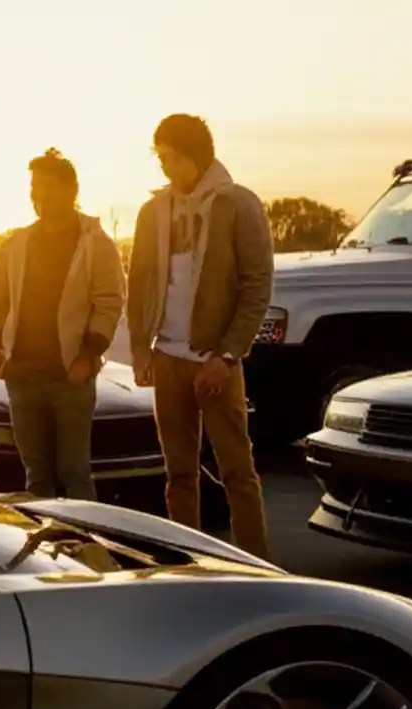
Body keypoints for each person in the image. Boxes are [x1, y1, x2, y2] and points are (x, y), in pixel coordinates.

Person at [126, 114, 274, 561]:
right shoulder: (153, 211)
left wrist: (227, 354)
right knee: (178, 475)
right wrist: (140, 349)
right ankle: (185, 565)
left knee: (237, 471)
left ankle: (257, 566)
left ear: (197, 155)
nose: (167, 168)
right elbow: (141, 282)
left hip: (215, 358)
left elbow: (257, 285)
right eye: (161, 159)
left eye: (173, 158)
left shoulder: (238, 203)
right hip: (166, 354)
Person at [0, 149, 125, 500]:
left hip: (70, 377)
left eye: (49, 188)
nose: (40, 196)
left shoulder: (96, 244)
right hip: (22, 376)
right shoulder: (16, 244)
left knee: (74, 473)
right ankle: (41, 552)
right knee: (36, 476)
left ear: (71, 190)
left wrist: (88, 355)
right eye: (35, 188)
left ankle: (87, 548)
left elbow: (109, 303)